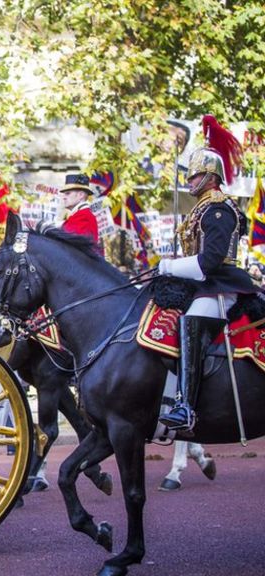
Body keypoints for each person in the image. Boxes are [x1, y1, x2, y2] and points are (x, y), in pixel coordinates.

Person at [157, 115, 259, 432]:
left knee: (191, 322)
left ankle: (185, 406)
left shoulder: (218, 208)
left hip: (220, 286)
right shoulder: (202, 206)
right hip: (201, 285)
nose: (189, 179)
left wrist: (169, 266)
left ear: (210, 176)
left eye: (196, 174)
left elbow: (209, 262)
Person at [58, 173, 100, 243]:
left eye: (68, 193)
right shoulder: (81, 214)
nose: (64, 197)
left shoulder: (84, 216)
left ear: (81, 195)